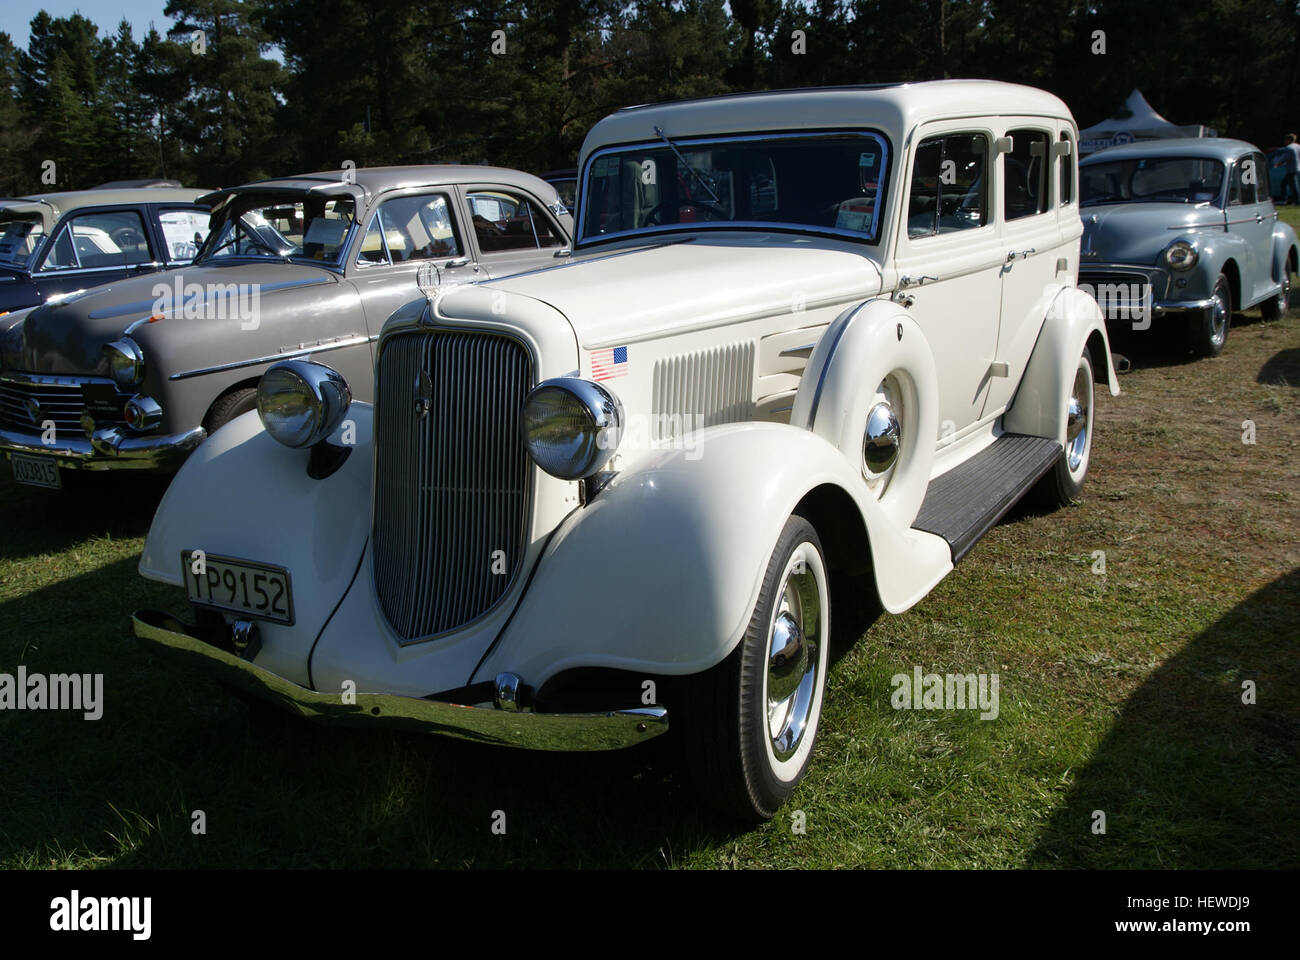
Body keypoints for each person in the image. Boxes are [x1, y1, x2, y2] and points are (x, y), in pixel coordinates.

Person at [1283, 134, 1300, 205]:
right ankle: (1292, 199)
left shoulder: (1289, 148)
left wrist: (1279, 163)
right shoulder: (1298, 146)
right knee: (1288, 184)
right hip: (1298, 167)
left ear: (1288, 140)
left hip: (1291, 169)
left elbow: (1287, 159)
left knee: (1291, 185)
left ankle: (1296, 200)